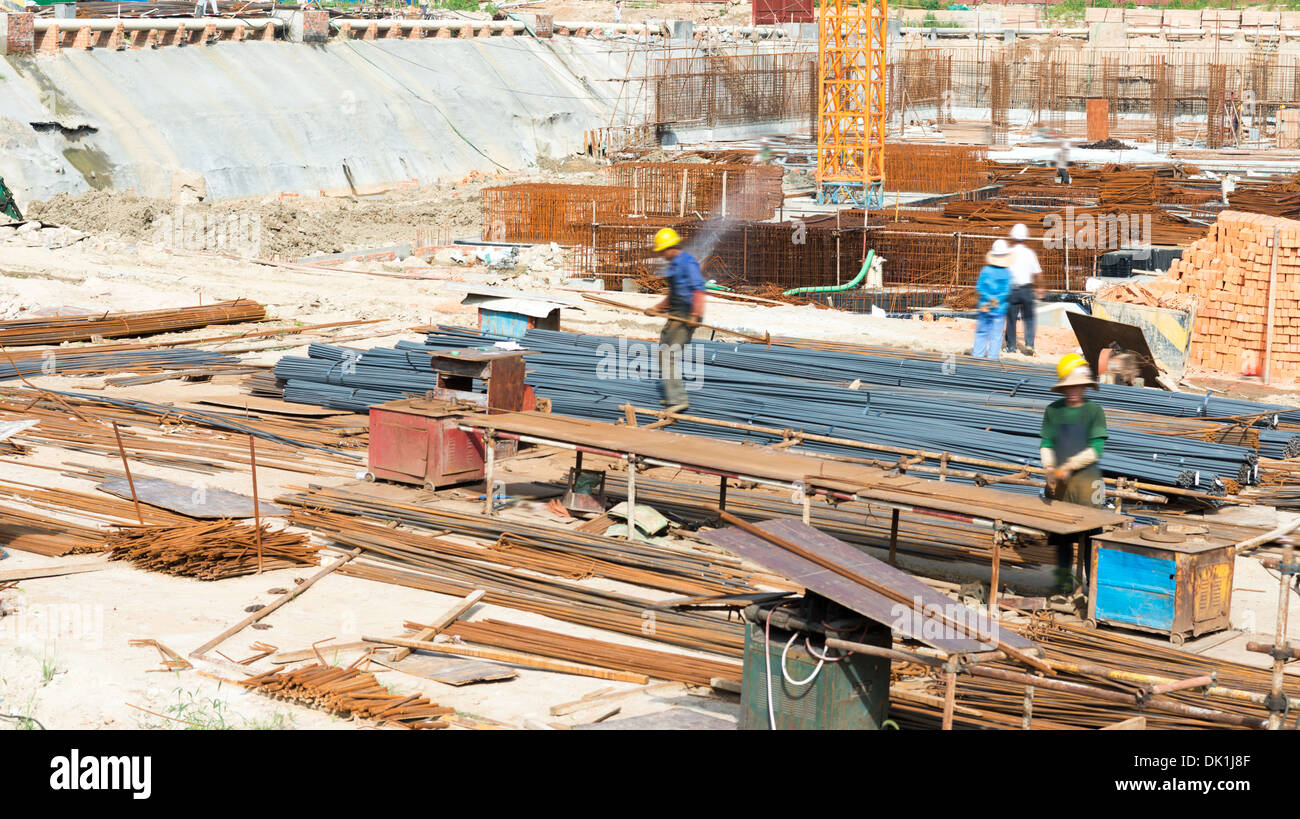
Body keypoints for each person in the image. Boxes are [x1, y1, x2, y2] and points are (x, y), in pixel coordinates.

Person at [1041, 353, 1108, 594]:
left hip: (1088, 485)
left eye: (1078, 386)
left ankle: (1094, 589)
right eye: (1069, 387)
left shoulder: (1093, 411)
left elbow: (1096, 449)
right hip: (1061, 487)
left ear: (1085, 386)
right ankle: (1063, 584)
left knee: (1091, 540)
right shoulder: (1053, 411)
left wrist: (1068, 466)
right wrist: (1049, 468)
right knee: (1062, 540)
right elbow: (1047, 443)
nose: (1074, 391)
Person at [648, 227, 705, 412]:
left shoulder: (688, 262)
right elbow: (673, 296)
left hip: (688, 314)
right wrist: (657, 308)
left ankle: (678, 399)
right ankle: (672, 394)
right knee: (662, 352)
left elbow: (698, 290)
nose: (662, 255)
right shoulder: (673, 265)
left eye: (663, 251)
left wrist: (695, 315)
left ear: (670, 247)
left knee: (669, 355)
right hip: (676, 312)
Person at [1003, 223, 1042, 356]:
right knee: (1029, 318)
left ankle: (1011, 347)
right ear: (1025, 238)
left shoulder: (1008, 253)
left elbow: (1003, 271)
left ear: (1012, 237)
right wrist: (1040, 287)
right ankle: (1030, 344)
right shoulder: (1030, 253)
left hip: (1012, 290)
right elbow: (1038, 273)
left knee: (1011, 318)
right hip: (1026, 289)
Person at [972, 240, 1012, 360]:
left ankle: (977, 356)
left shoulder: (986, 270)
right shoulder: (1007, 273)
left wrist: (989, 299)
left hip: (984, 306)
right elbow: (1007, 291)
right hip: (999, 309)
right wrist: (996, 300)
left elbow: (979, 287)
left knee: (981, 333)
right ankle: (992, 359)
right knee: (996, 335)